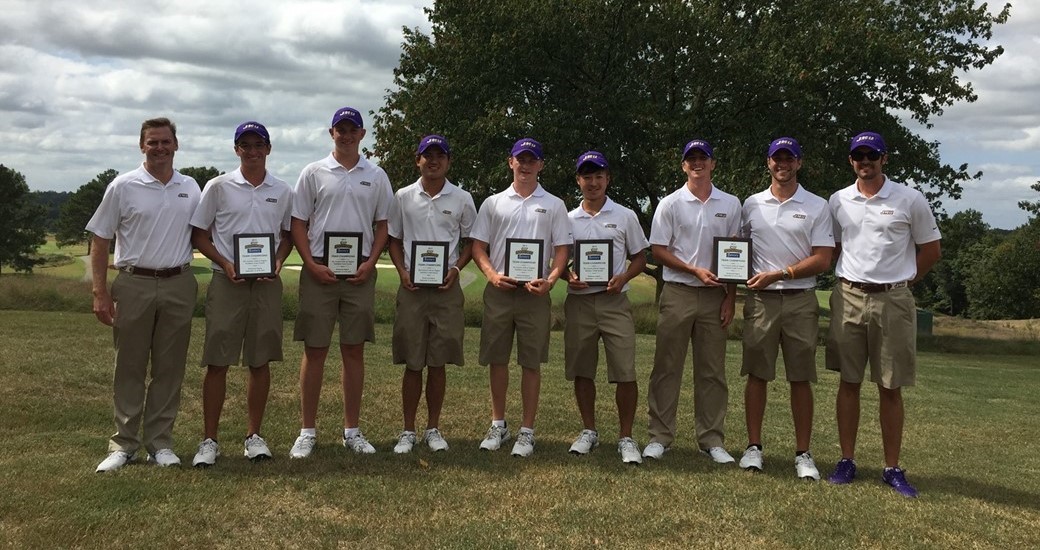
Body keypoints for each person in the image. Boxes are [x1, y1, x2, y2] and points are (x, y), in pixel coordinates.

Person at [826, 131, 941, 497]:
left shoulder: (910, 198)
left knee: (890, 386)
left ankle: (892, 467)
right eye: (859, 156)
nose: (865, 162)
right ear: (851, 161)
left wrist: (906, 280)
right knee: (849, 382)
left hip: (893, 299)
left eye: (871, 155)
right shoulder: (838, 200)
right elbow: (834, 247)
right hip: (848, 295)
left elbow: (931, 249)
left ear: (884, 159)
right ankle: (847, 460)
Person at [87, 117, 201, 472]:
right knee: (130, 366)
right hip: (134, 282)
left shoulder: (190, 187)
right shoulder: (123, 186)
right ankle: (124, 444)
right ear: (142, 146)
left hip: (179, 282)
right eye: (152, 142)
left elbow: (205, 232)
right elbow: (101, 238)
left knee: (170, 368)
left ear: (176, 145)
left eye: (165, 142)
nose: (160, 148)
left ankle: (160, 443)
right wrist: (100, 292)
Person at [288, 107, 393, 457]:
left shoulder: (376, 175)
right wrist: (309, 264)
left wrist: (371, 261)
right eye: (340, 129)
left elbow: (383, 225)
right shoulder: (313, 172)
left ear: (362, 134)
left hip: (359, 274)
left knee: (353, 350)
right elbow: (298, 223)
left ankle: (352, 430)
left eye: (352, 130)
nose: (346, 135)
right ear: (331, 133)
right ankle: (307, 431)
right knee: (315, 350)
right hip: (320, 271)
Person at [188, 121, 294, 467]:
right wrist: (225, 263)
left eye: (258, 144)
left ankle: (254, 436)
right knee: (218, 360)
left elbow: (288, 235)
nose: (252, 151)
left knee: (259, 359)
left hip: (265, 284)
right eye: (245, 145)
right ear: (236, 150)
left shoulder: (282, 190)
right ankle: (210, 440)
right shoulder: (218, 187)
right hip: (226, 281)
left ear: (268, 148)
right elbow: (200, 235)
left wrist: (278, 262)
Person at [737, 137, 833, 479]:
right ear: (768, 163)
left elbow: (823, 258)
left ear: (799, 163)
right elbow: (737, 249)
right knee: (757, 373)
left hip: (800, 299)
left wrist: (781, 273)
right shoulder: (751, 204)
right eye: (777, 159)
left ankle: (803, 453)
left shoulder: (817, 205)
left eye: (789, 159)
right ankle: (753, 447)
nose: (783, 164)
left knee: (801, 376)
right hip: (761, 301)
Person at [470, 137, 571, 457]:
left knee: (531, 362)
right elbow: (477, 247)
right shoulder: (493, 202)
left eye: (532, 160)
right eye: (520, 159)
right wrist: (491, 275)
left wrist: (552, 280)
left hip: (535, 294)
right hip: (499, 291)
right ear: (510, 162)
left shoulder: (554, 204)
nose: (525, 165)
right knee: (497, 359)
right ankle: (498, 424)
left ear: (540, 165)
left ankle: (527, 431)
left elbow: (561, 250)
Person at [643, 139, 741, 463]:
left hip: (715, 296)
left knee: (712, 371)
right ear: (683, 165)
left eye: (703, 158)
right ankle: (660, 436)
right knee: (667, 367)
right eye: (691, 159)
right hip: (679, 292)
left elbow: (735, 256)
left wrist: (730, 298)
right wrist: (693, 270)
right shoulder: (670, 204)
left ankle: (712, 439)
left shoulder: (731, 203)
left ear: (713, 164)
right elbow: (658, 250)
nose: (697, 163)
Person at [387, 135, 476, 453]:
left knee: (437, 362)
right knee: (413, 362)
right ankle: (408, 430)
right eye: (428, 155)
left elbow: (472, 241)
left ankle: (433, 428)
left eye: (440, 155)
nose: (434, 160)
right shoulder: (402, 196)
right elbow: (393, 239)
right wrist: (401, 271)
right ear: (418, 160)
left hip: (446, 289)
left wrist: (455, 270)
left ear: (448, 161)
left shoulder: (462, 198)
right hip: (412, 288)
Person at [564, 151, 649, 465]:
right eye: (587, 176)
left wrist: (624, 276)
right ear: (579, 181)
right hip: (580, 302)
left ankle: (626, 437)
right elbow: (559, 260)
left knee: (625, 371)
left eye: (599, 176)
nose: (593, 182)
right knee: (582, 369)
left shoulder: (625, 215)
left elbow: (640, 257)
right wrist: (566, 275)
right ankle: (589, 430)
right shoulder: (568, 218)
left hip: (615, 301)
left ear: (608, 178)